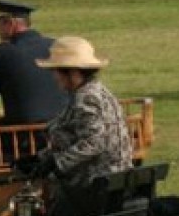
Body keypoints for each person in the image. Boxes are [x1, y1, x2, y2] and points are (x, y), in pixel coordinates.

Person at [20, 36, 133, 189]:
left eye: (56, 71)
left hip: (95, 182)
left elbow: (94, 142)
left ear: (72, 72)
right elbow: (73, 137)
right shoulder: (95, 90)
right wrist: (40, 158)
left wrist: (57, 163)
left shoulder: (86, 98)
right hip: (111, 177)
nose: (54, 77)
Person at [0, 0, 69, 162]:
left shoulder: (3, 53)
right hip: (61, 134)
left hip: (24, 138)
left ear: (10, 24)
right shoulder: (54, 45)